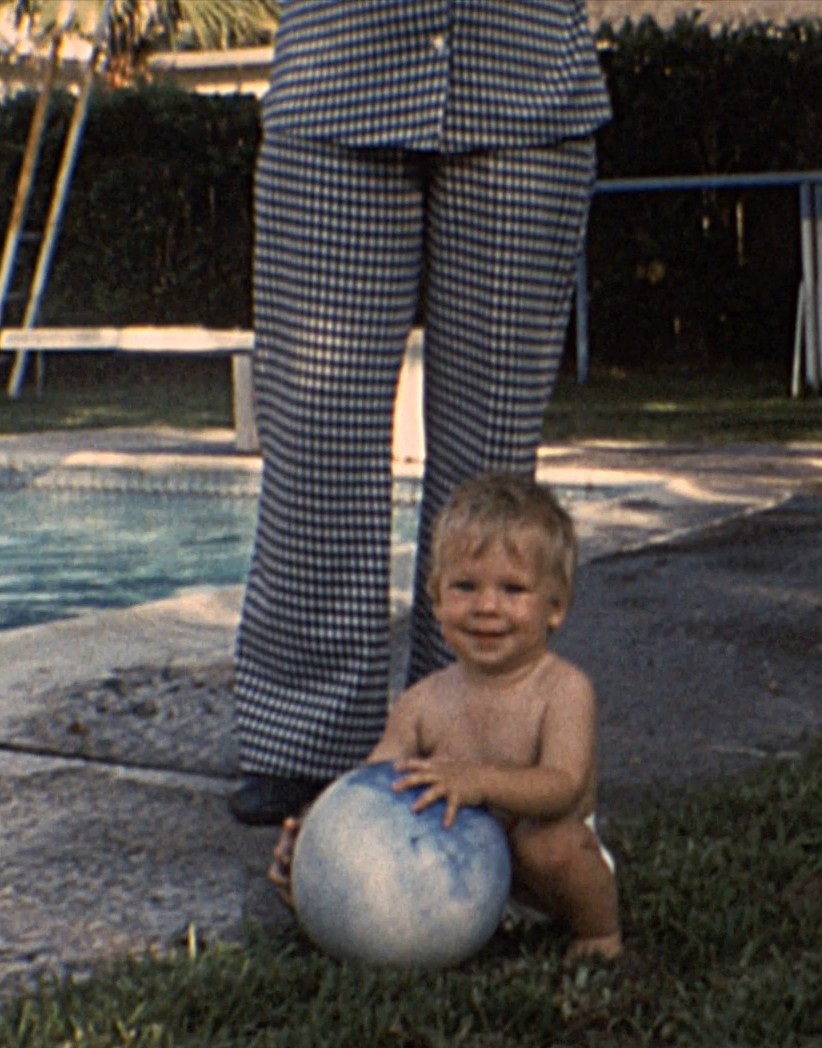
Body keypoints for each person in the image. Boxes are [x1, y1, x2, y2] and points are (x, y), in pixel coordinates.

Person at [226, 0, 613, 826]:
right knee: (318, 436)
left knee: (493, 448)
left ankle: (476, 727)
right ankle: (305, 741)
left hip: (523, 88)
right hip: (339, 82)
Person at [270, 472, 622, 962]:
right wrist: (316, 835)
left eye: (513, 589)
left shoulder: (562, 690)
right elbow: (372, 785)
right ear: (435, 600)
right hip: (452, 870)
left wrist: (480, 782)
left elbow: (562, 785)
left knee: (549, 843)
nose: (486, 607)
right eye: (464, 586)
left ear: (555, 607)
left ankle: (598, 931)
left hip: (541, 875)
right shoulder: (423, 701)